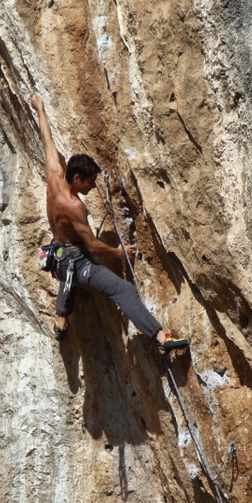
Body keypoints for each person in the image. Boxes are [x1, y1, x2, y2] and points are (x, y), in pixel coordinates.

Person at [31, 93, 189, 353]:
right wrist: (118, 252)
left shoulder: (54, 176)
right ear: (77, 177)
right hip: (74, 262)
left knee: (69, 263)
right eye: (90, 181)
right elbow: (92, 246)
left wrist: (41, 109)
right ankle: (161, 338)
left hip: (56, 257)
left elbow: (47, 141)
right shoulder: (74, 207)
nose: (93, 186)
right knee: (123, 289)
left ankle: (61, 317)